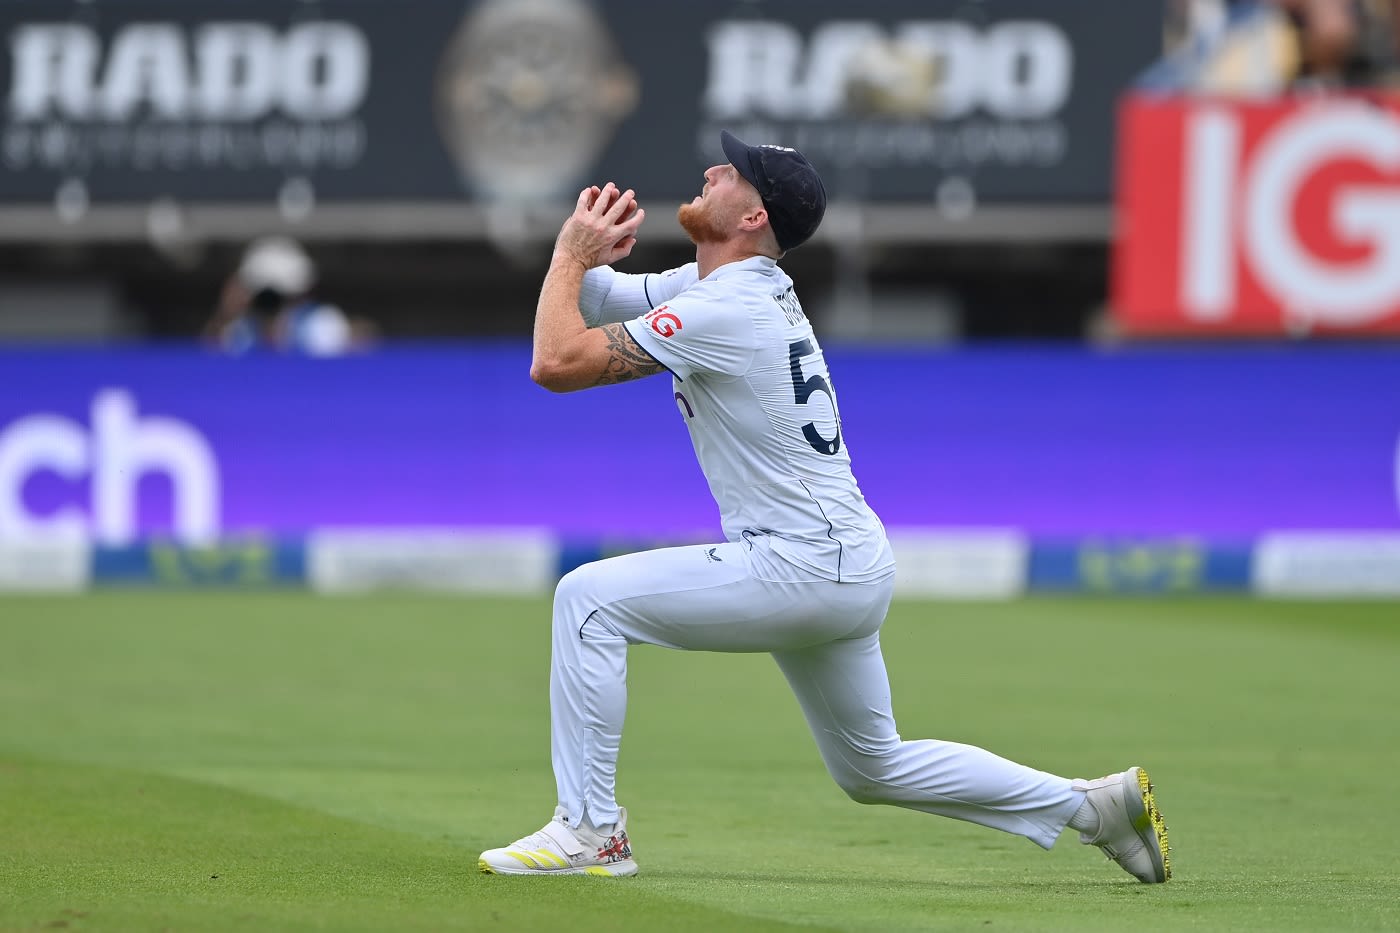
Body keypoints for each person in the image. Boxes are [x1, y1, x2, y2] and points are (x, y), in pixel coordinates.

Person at [477, 131, 1171, 882]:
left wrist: (571, 257)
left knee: (587, 601)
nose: (713, 168)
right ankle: (1092, 807)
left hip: (802, 560)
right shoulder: (718, 288)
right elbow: (583, 301)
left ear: (753, 218)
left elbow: (556, 362)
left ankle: (591, 833)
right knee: (872, 766)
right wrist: (575, 253)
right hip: (843, 559)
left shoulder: (726, 309)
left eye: (735, 171)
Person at [202, 236, 369, 356]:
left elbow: (362, 343)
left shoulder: (321, 326)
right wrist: (226, 311)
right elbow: (210, 353)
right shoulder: (241, 331)